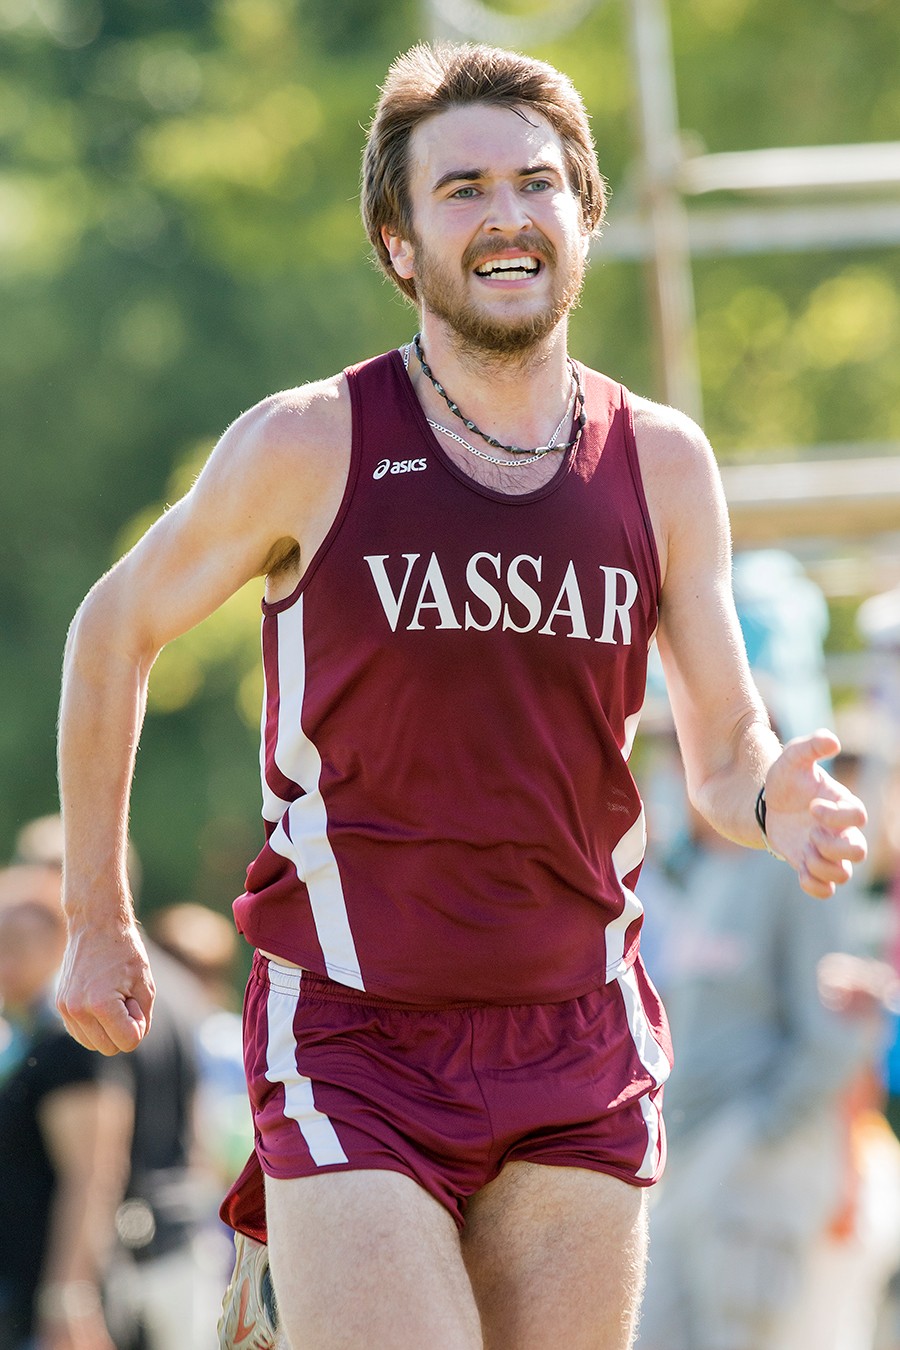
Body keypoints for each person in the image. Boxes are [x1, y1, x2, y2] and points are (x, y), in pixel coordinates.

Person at [55, 40, 868, 1350]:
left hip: (578, 1030)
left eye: (537, 184)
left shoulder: (661, 462)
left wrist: (773, 794)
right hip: (356, 1028)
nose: (506, 214)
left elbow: (722, 743)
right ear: (398, 239)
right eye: (463, 188)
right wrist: (98, 912)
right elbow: (112, 627)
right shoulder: (312, 440)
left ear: (584, 217)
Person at [0, 864, 132, 1350]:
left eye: (17, 946)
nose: (4, 963)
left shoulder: (69, 1038)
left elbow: (94, 1172)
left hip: (52, 1305)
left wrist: (69, 1297)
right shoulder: (27, 1031)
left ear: (59, 943)